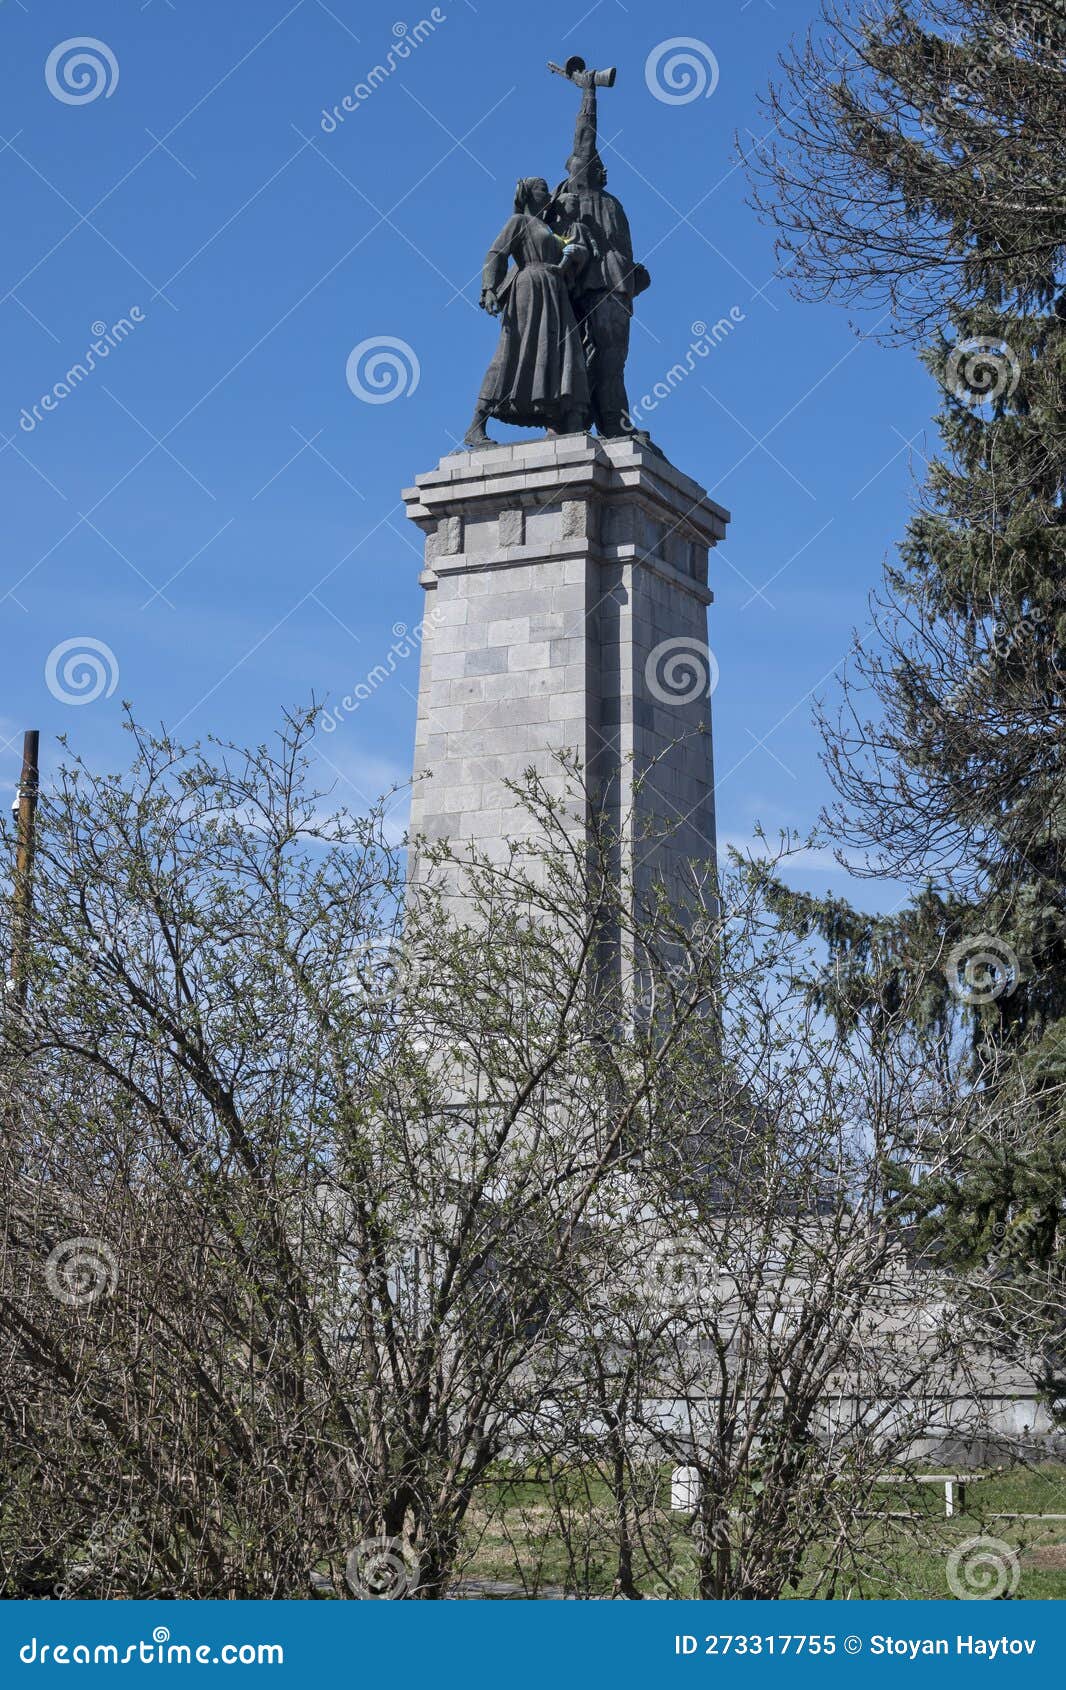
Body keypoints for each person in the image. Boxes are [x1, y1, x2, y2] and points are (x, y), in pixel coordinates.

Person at [552, 68, 651, 439]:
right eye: (593, 162)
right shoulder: (577, 196)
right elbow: (584, 138)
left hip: (616, 286)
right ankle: (586, 421)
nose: (602, 165)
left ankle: (608, 420)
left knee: (613, 361)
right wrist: (589, 92)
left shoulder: (613, 204)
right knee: (586, 358)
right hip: (588, 287)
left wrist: (636, 275)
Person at [463, 178, 591, 449]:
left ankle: (556, 421)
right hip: (529, 288)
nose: (549, 193)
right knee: (512, 353)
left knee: (560, 351)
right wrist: (488, 288)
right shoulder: (519, 221)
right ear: (528, 194)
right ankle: (476, 425)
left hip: (555, 291)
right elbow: (496, 253)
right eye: (543, 189)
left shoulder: (551, 227)